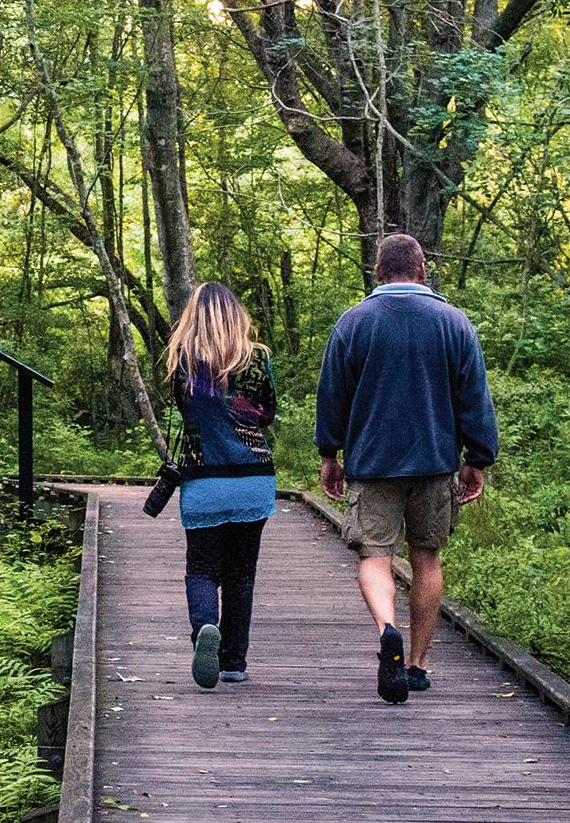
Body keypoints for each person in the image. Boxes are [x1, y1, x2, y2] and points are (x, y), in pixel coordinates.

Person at [315, 233, 498, 705]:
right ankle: (416, 665)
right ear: (421, 270)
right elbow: (473, 397)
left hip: (373, 464)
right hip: (435, 463)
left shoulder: (353, 323)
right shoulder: (454, 322)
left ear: (378, 272)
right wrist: (477, 459)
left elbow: (332, 395)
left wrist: (329, 453)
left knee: (374, 559)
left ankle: (387, 630)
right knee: (427, 559)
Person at [168, 282, 277, 691]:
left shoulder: (182, 363)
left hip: (204, 480)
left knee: (201, 566)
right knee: (241, 573)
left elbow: (184, 410)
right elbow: (266, 413)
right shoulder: (259, 358)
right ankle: (233, 662)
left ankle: (204, 629)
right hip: (253, 479)